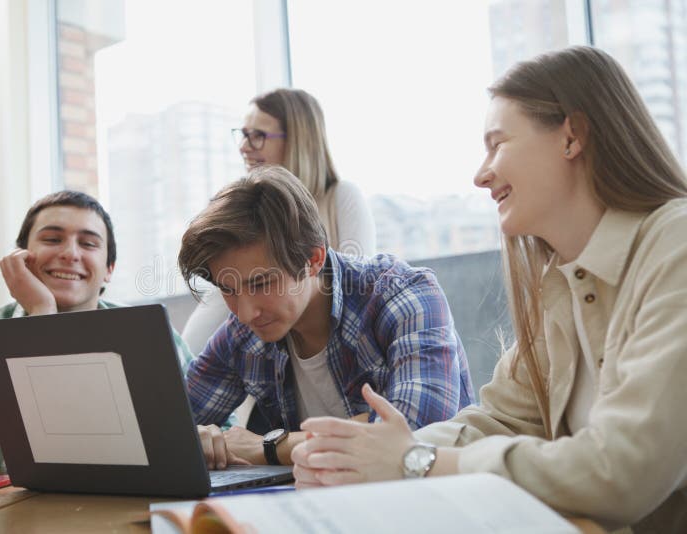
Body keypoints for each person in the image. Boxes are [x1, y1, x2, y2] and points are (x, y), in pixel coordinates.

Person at [291, 46, 687, 532]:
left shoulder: (677, 249)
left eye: (497, 144)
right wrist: (363, 454)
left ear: (572, 136)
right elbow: (498, 420)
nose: (481, 175)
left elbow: (622, 472)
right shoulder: (561, 283)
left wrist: (417, 461)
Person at [178, 165, 473, 470]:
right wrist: (204, 438)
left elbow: (415, 434)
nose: (245, 312)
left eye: (261, 283)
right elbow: (171, 429)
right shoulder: (242, 334)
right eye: (228, 289)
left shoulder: (401, 294)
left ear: (313, 259)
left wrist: (269, 446)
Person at [0, 191, 193, 474]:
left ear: (109, 269)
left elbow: (219, 427)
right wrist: (41, 318)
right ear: (20, 258)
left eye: (88, 243)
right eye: (52, 239)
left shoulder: (150, 332)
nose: (71, 253)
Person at [181, 88, 376, 359]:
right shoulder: (247, 226)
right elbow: (211, 315)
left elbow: (355, 286)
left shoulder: (341, 197)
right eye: (244, 134)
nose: (244, 146)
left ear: (298, 141)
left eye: (258, 136)